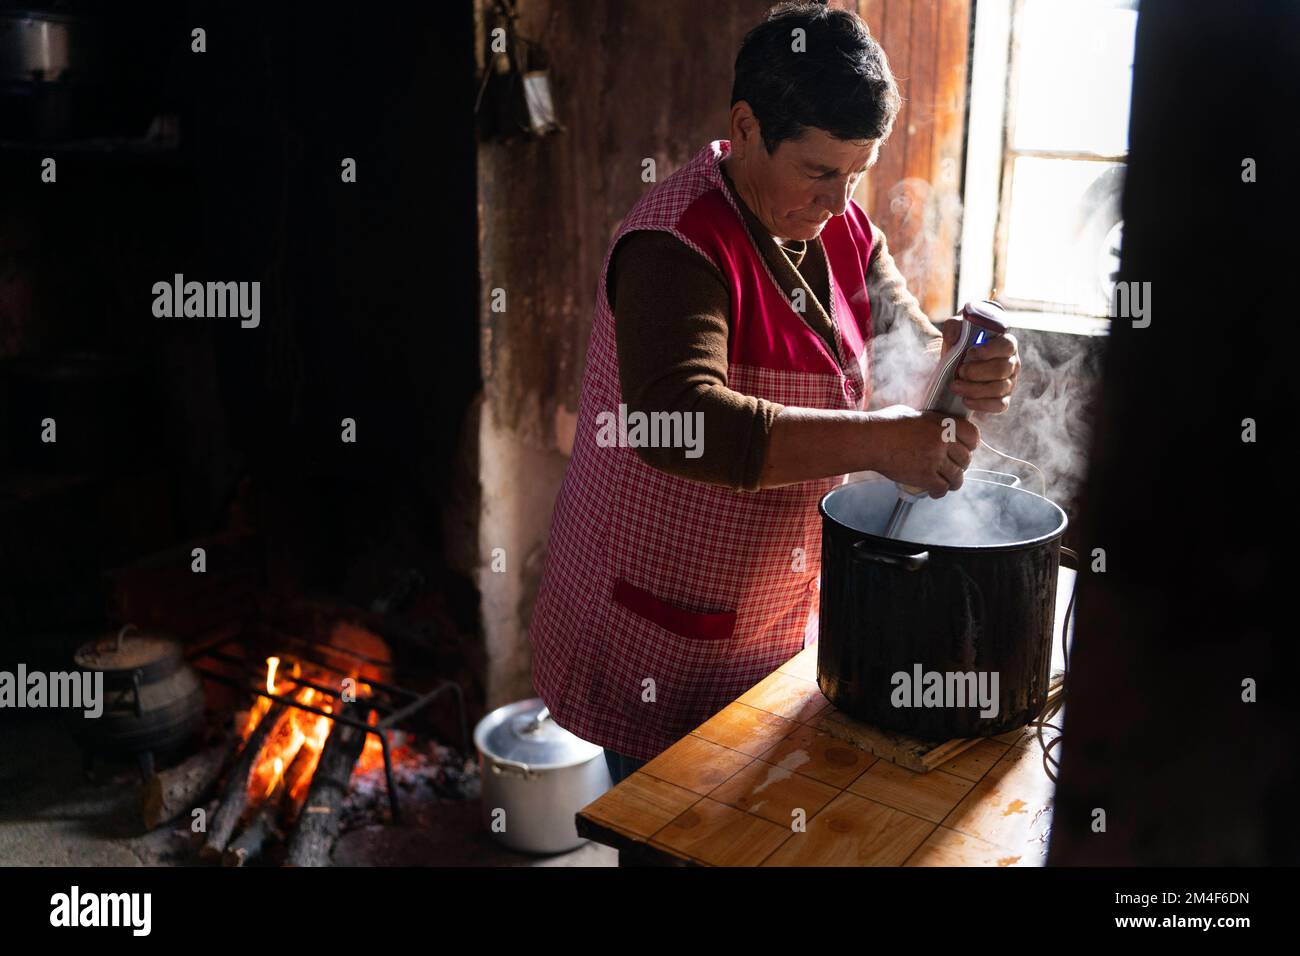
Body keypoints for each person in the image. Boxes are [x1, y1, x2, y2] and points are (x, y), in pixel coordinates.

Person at [531, 1, 1021, 786]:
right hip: (662, 622)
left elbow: (905, 341)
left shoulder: (843, 229)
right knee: (667, 833)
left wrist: (962, 369)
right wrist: (878, 440)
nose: (838, 202)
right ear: (747, 125)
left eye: (856, 172)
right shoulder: (675, 244)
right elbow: (673, 423)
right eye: (819, 171)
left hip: (771, 616)